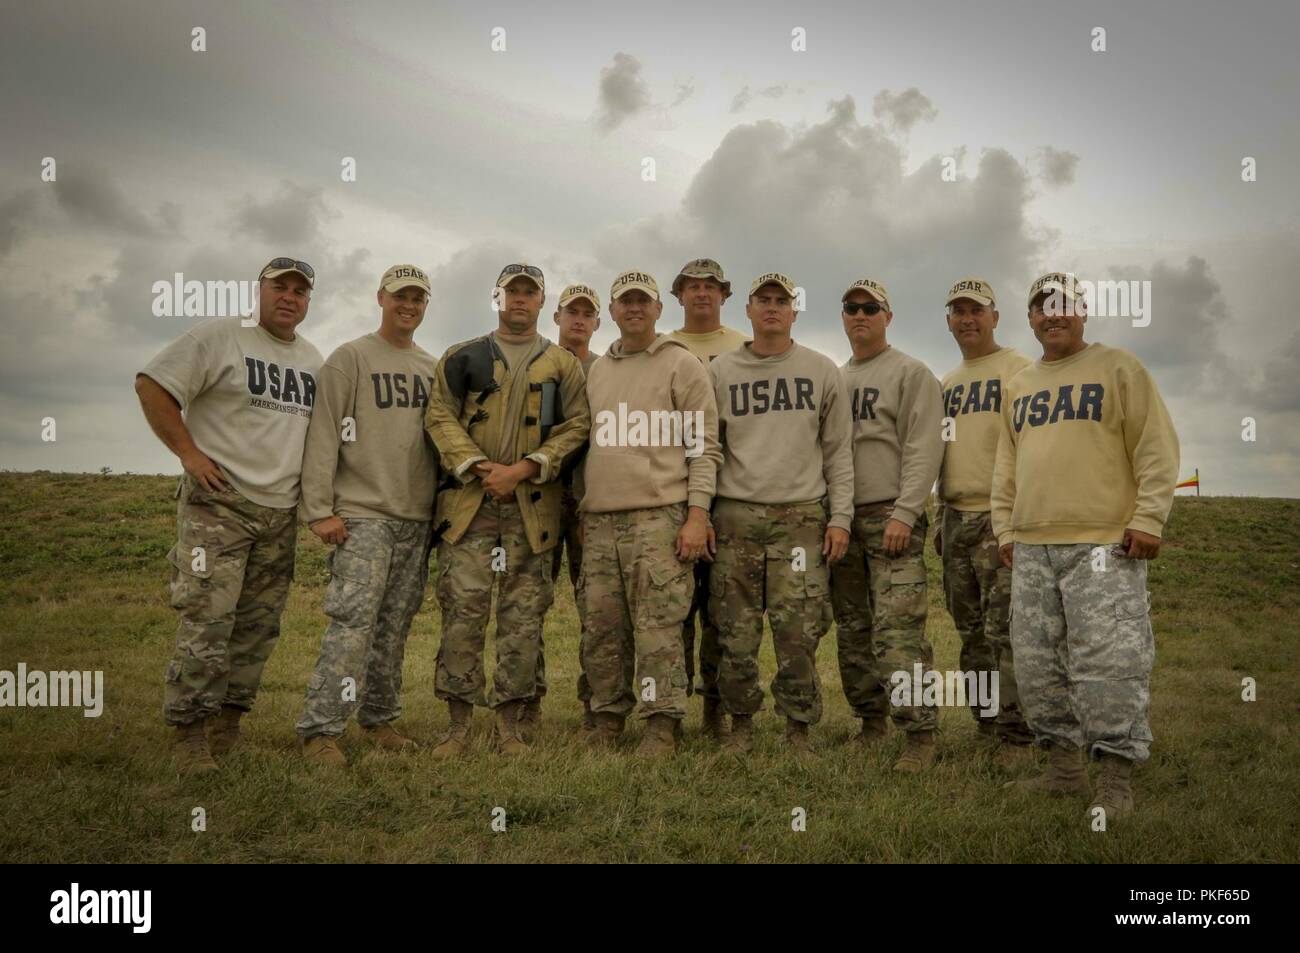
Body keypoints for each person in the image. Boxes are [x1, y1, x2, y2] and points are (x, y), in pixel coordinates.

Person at [992, 272, 1179, 820]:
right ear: (1030, 318)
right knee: (1036, 664)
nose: (1053, 315)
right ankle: (1063, 769)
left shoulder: (1119, 367)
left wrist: (1149, 516)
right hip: (1031, 547)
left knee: (1109, 662)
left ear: (1082, 312)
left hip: (1103, 545)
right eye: (1042, 307)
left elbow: (1157, 447)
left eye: (1064, 305)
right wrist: (1005, 528)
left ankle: (1116, 778)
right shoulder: (1020, 384)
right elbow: (1007, 464)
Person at [136, 257, 323, 774]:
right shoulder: (219, 336)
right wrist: (188, 454)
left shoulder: (313, 360)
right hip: (219, 507)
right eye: (278, 287)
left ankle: (229, 724)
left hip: (279, 512)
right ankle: (190, 733)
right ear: (257, 291)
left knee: (258, 627)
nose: (289, 296)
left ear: (309, 301)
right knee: (208, 618)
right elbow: (152, 384)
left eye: (299, 291)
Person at [424, 262, 590, 757]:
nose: (520, 299)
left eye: (529, 292)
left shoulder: (562, 364)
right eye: (512, 291)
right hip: (468, 509)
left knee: (522, 618)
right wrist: (477, 466)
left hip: (532, 511)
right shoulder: (463, 356)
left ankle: (510, 725)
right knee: (463, 611)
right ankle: (457, 724)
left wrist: (523, 469)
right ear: (498, 298)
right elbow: (439, 415)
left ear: (543, 303)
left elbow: (578, 426)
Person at [295, 264, 439, 766]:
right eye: (401, 295)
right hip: (362, 515)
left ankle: (379, 719)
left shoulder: (431, 367)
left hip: (415, 517)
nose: (409, 305)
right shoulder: (350, 358)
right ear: (381, 298)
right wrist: (319, 509)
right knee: (352, 622)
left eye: (419, 298)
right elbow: (323, 434)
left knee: (394, 624)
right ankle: (320, 729)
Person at [708, 272, 853, 754]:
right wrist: (701, 512)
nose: (772, 308)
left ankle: (798, 727)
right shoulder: (720, 371)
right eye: (763, 300)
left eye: (781, 301)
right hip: (736, 517)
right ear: (746, 311)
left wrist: (840, 518)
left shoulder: (821, 369)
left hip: (801, 517)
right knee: (736, 629)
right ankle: (740, 724)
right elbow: (708, 449)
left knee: (798, 629)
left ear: (795, 311)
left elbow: (838, 453)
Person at [580, 269, 722, 756]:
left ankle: (662, 723)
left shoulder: (681, 365)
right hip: (600, 520)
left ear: (659, 309)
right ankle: (606, 719)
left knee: (659, 627)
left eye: (643, 300)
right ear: (613, 312)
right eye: (625, 301)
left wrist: (697, 515)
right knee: (602, 626)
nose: (634, 308)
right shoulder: (599, 369)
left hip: (659, 515)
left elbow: (704, 447)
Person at [831, 277, 945, 773]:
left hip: (890, 515)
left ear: (887, 317)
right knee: (854, 628)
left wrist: (906, 510)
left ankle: (920, 733)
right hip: (842, 518)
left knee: (897, 629)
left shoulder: (911, 373)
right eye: (851, 308)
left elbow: (925, 447)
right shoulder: (836, 378)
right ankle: (870, 722)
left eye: (870, 308)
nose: (860, 315)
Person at [936, 277, 1034, 762]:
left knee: (1008, 632)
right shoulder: (948, 383)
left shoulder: (1021, 370)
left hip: (1003, 520)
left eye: (976, 310)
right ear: (948, 320)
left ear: (995, 316)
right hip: (956, 519)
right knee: (970, 632)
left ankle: (1019, 735)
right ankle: (986, 724)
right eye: (958, 311)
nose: (967, 319)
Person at [668, 258, 748, 737]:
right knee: (675, 609)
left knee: (722, 611)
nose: (702, 293)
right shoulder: (664, 348)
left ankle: (715, 711)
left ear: (724, 295)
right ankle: (671, 708)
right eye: (692, 286)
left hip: (732, 491)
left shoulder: (743, 346)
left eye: (711, 286)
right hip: (675, 489)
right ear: (678, 296)